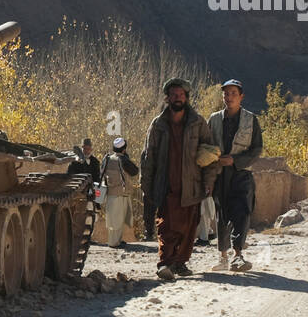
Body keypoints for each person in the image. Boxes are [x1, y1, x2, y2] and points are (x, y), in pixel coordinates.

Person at [139, 78, 219, 281]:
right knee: (166, 226)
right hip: (165, 185)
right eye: (174, 95)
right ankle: (164, 263)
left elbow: (209, 154)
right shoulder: (158, 124)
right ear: (167, 98)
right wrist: (146, 186)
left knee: (189, 227)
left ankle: (180, 263)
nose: (178, 98)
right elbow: (148, 156)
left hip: (191, 184)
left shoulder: (198, 123)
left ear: (187, 98)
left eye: (181, 95)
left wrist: (209, 181)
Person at [208, 79, 264, 271]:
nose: (229, 97)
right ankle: (222, 257)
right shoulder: (214, 119)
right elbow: (206, 145)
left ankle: (238, 255)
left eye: (233, 93)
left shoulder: (250, 119)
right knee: (222, 213)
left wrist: (235, 160)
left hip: (241, 173)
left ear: (241, 97)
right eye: (226, 93)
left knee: (242, 211)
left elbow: (257, 149)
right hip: (220, 174)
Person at [100, 136, 139, 248]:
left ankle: (115, 241)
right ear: (123, 149)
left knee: (112, 218)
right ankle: (114, 243)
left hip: (110, 193)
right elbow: (134, 171)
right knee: (118, 219)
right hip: (121, 194)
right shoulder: (123, 160)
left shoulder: (107, 158)